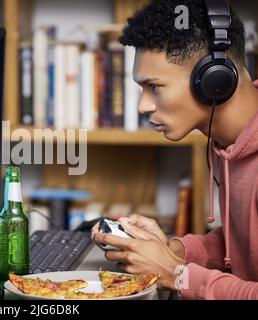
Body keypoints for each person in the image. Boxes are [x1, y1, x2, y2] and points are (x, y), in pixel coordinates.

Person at [92, 0, 258, 299]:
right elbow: (246, 245)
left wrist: (178, 275)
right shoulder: (227, 142)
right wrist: (173, 250)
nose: (143, 105)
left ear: (214, 79)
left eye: (154, 86)